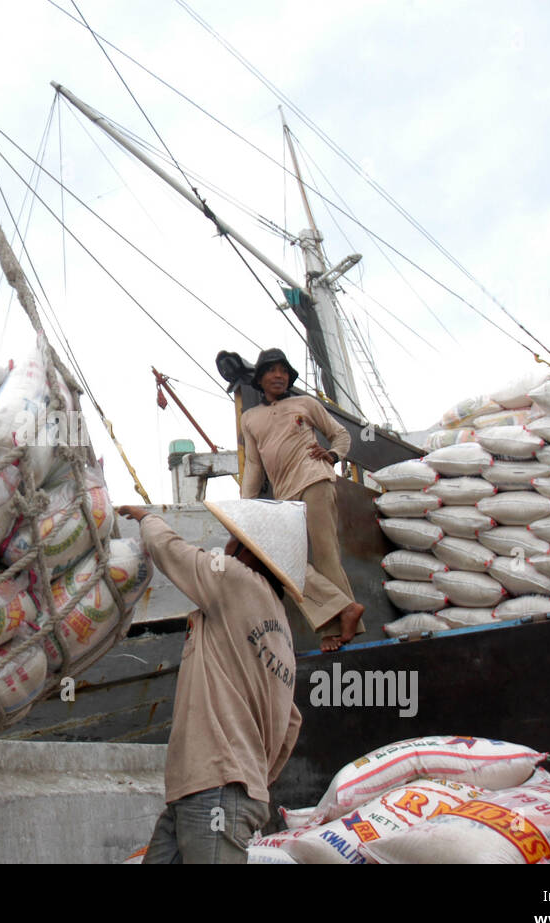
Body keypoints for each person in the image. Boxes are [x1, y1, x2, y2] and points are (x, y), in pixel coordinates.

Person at [118, 503, 302, 864]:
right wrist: (255, 780)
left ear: (251, 550)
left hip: (216, 789)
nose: (225, 547)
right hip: (208, 789)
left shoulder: (235, 580)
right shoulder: (280, 624)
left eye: (233, 539)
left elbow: (174, 554)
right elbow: (291, 721)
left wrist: (146, 519)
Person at [239, 348, 365, 652]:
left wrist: (333, 456)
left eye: (283, 370)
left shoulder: (305, 404)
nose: (279, 375)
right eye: (271, 370)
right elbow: (254, 465)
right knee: (287, 562)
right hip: (284, 496)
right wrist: (244, 504)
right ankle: (345, 609)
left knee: (324, 555)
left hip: (314, 479)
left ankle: (333, 631)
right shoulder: (250, 418)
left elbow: (340, 435)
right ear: (260, 378)